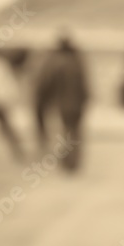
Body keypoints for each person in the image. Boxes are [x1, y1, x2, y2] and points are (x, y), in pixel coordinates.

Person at [35, 33, 89, 171]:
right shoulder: (77, 62)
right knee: (75, 131)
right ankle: (73, 161)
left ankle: (68, 161)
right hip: (78, 103)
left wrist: (44, 100)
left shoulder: (57, 63)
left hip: (64, 104)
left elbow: (48, 84)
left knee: (66, 131)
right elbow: (85, 85)